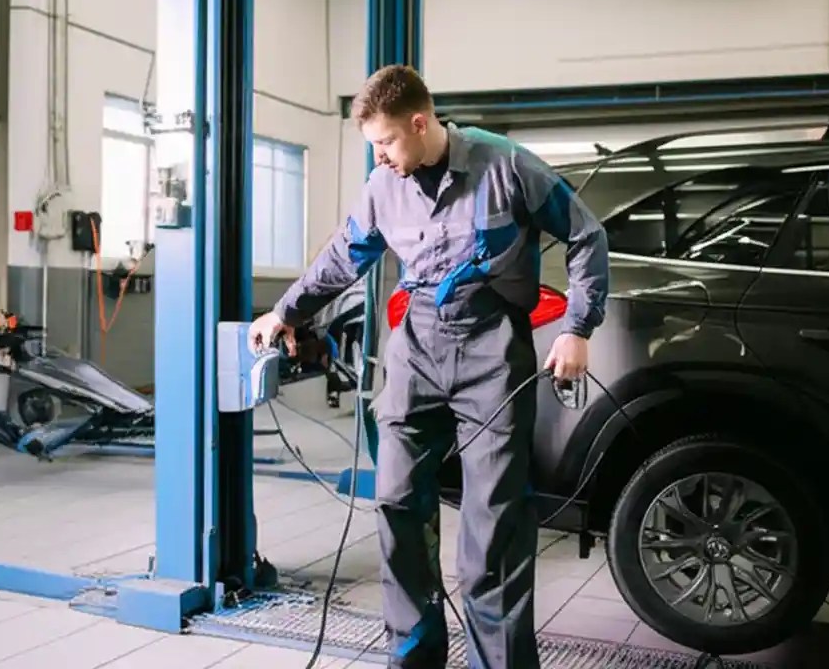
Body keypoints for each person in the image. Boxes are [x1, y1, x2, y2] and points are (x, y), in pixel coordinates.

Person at [248, 65, 609, 669]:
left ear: (420, 123)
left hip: (492, 348)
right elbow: (343, 256)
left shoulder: (505, 165)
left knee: (492, 528)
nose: (379, 157)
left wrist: (577, 327)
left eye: (386, 142)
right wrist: (285, 311)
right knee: (395, 501)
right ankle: (415, 656)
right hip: (416, 347)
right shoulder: (382, 186)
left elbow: (586, 234)